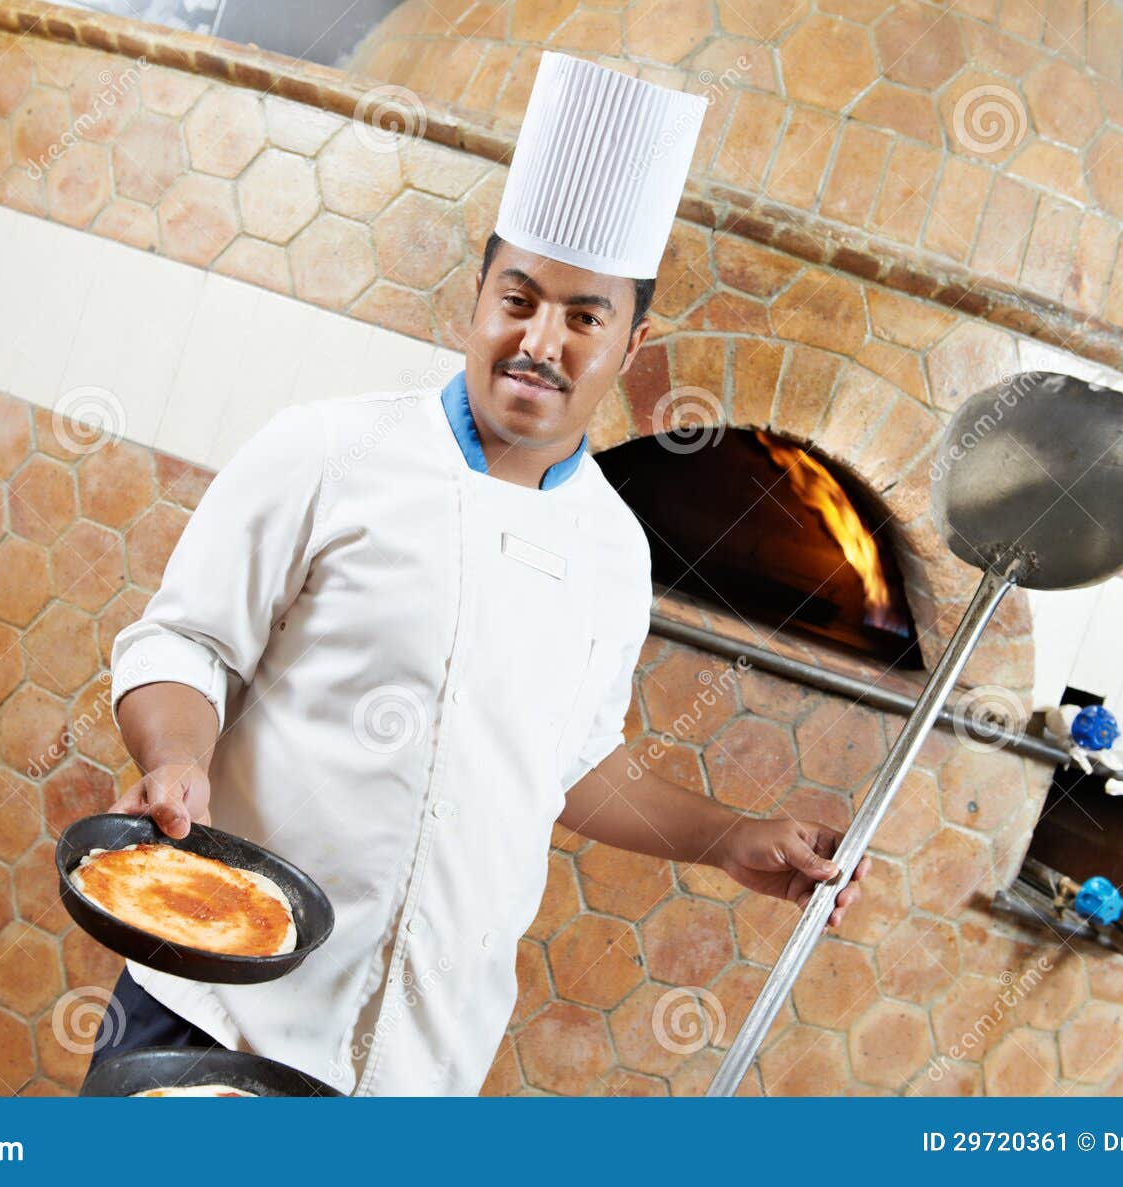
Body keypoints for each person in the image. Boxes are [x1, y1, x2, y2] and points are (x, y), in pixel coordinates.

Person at [90, 52, 870, 1096]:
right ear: (478, 297)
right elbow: (182, 641)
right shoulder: (327, 452)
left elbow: (571, 766)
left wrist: (727, 834)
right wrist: (178, 753)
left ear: (631, 342)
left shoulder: (612, 551)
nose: (539, 340)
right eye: (519, 297)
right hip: (222, 1001)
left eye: (583, 316)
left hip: (422, 1065)